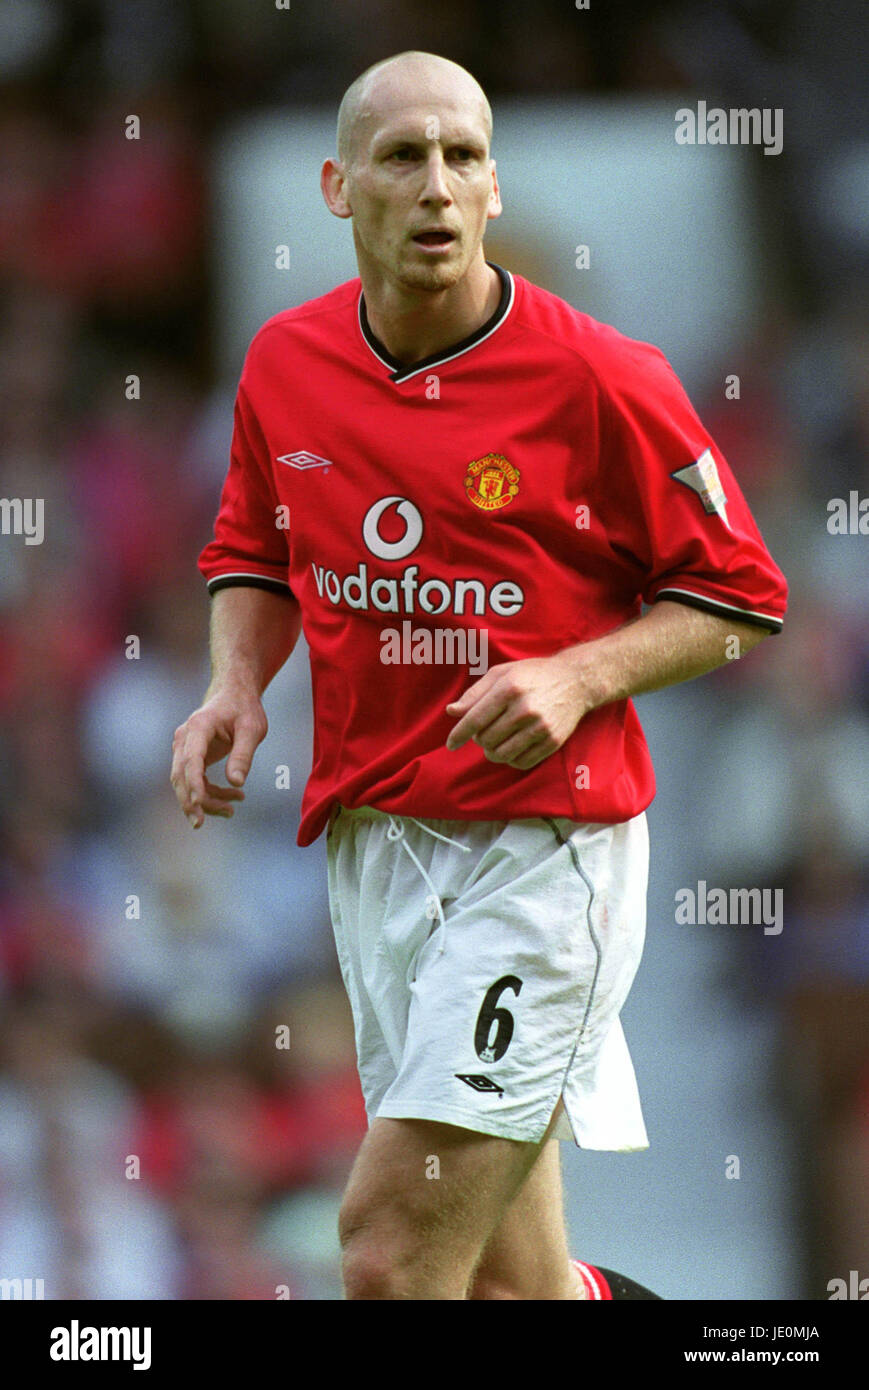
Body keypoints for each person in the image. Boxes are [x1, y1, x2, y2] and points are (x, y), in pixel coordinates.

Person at [171, 51, 788, 1300]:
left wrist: (576, 675)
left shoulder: (603, 378)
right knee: (511, 1285)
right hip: (376, 848)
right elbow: (254, 548)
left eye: (462, 156)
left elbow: (739, 599)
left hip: (543, 853)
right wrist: (233, 683)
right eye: (403, 156)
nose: (436, 184)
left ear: (494, 187)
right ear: (340, 187)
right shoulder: (283, 368)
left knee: (388, 1253)